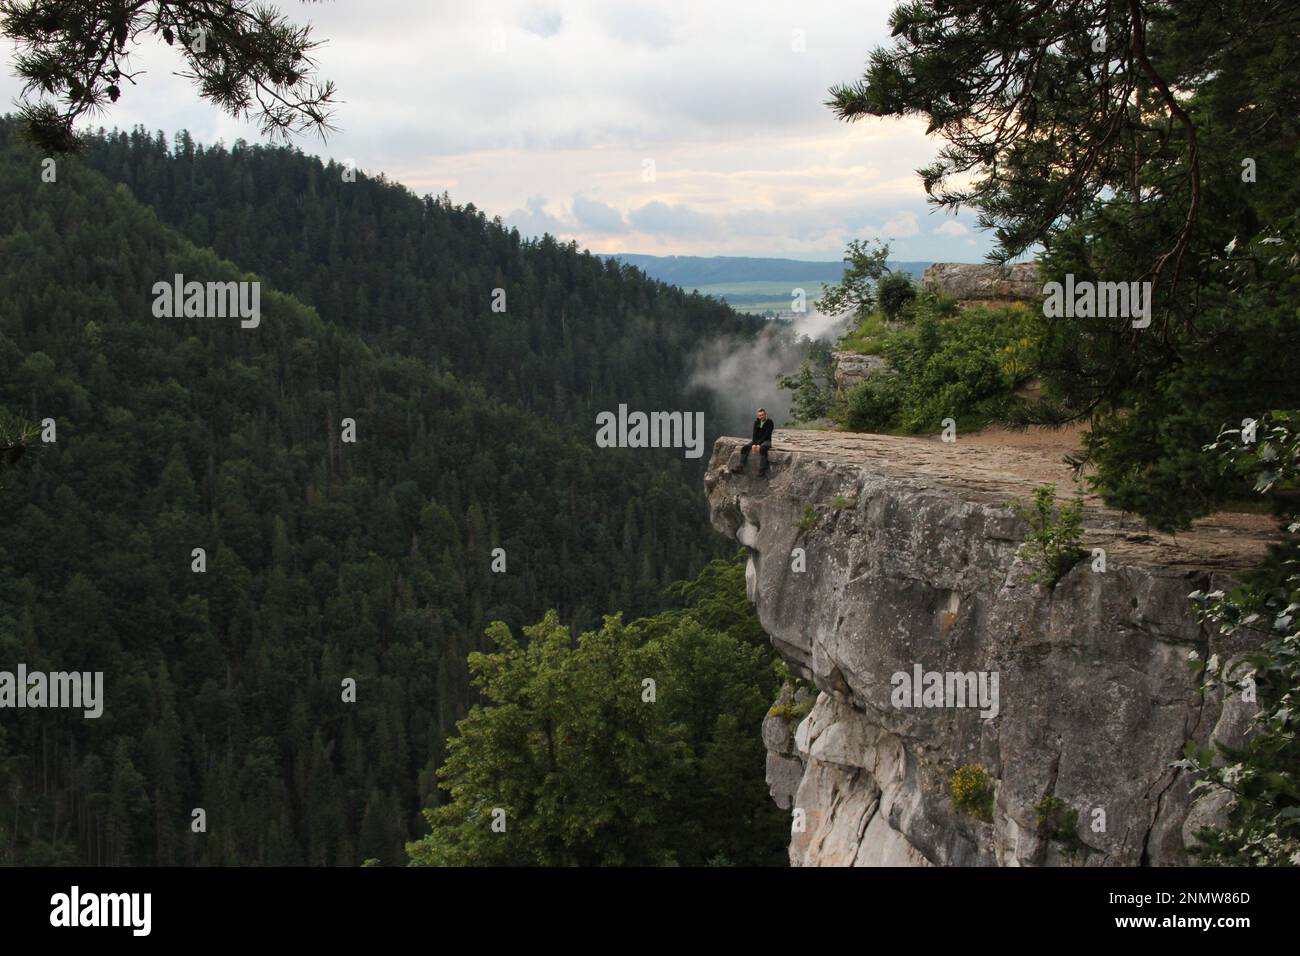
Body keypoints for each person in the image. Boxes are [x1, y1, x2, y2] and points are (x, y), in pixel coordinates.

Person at [732, 407, 773, 477]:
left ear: (766, 414)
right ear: (758, 416)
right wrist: (754, 443)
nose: (761, 417)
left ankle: (762, 470)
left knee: (763, 449)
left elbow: (767, 434)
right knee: (745, 448)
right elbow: (754, 434)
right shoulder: (756, 422)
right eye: (759, 415)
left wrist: (758, 445)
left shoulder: (770, 422)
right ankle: (740, 467)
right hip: (756, 441)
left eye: (762, 415)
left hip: (766, 440)